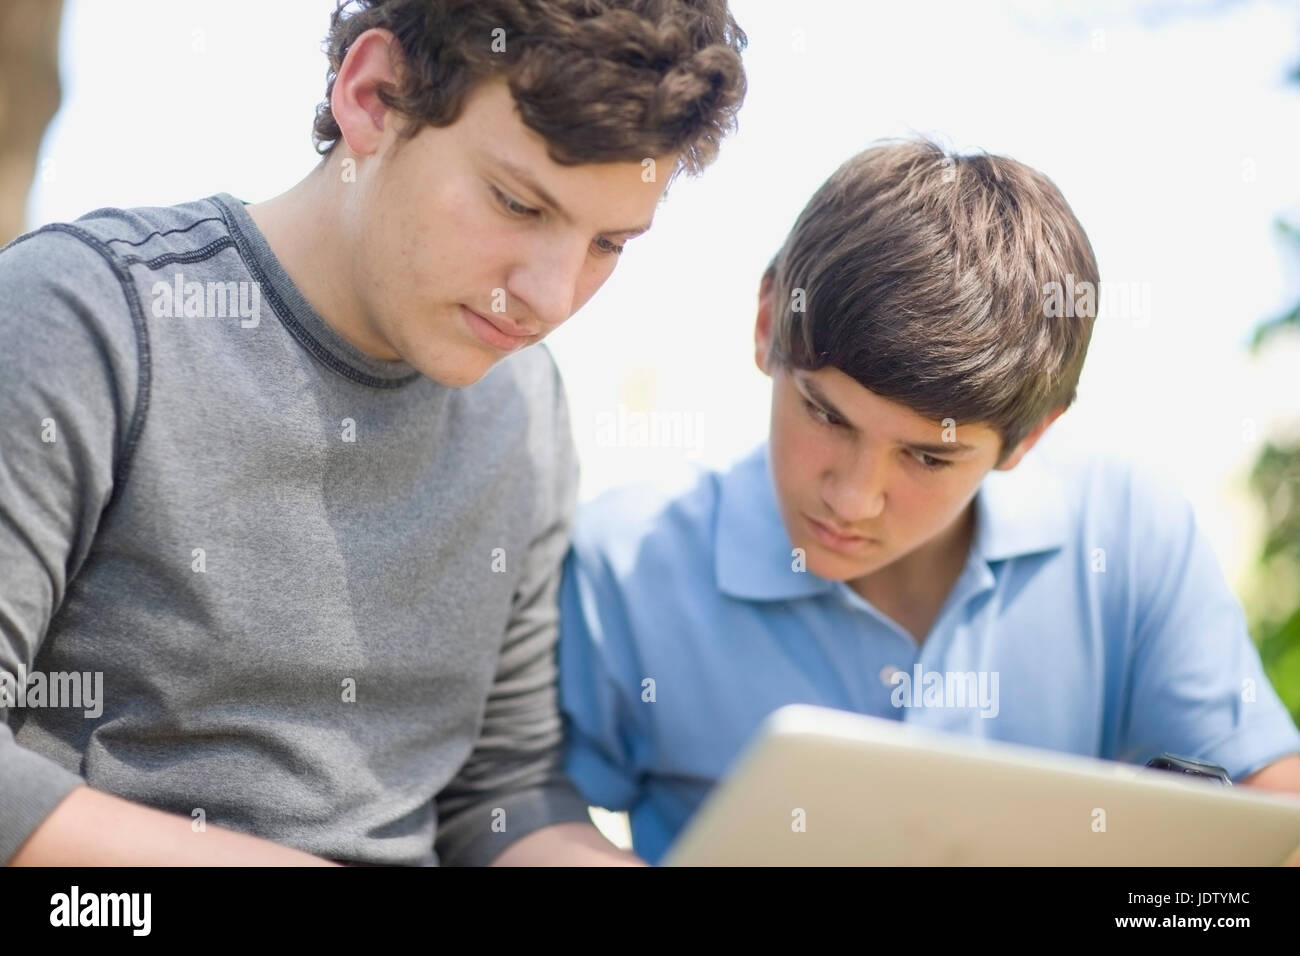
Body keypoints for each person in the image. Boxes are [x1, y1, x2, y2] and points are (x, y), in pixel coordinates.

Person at [0, 0, 747, 866]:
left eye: (608, 243)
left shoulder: (526, 404)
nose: (549, 296)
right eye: (516, 203)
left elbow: (498, 787)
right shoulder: (86, 316)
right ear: (374, 95)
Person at [558, 139, 1300, 865]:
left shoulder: (1127, 529)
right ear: (765, 325)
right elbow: (516, 805)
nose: (852, 499)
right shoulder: (625, 561)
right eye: (825, 414)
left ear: (1027, 439)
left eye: (928, 456)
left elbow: (1274, 815)